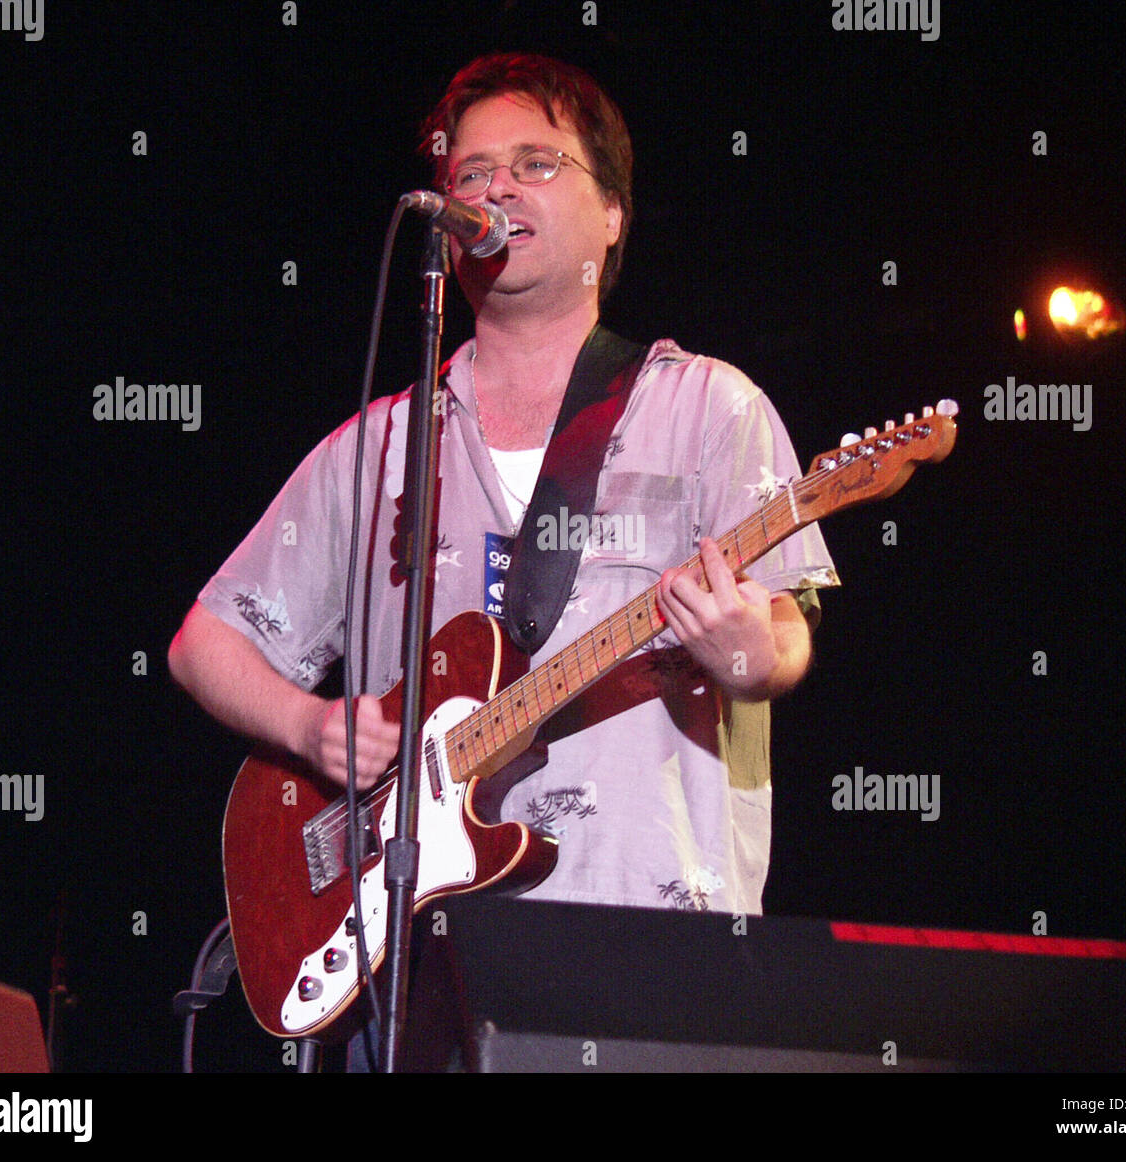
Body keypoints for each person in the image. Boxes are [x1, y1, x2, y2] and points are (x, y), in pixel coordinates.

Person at [169, 50, 836, 976]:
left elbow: (783, 632)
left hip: (649, 949)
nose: (497, 187)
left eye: (536, 163)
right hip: (418, 963)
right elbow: (206, 642)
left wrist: (747, 653)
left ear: (612, 214)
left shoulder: (708, 411)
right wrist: (309, 727)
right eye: (471, 173)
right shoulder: (375, 450)